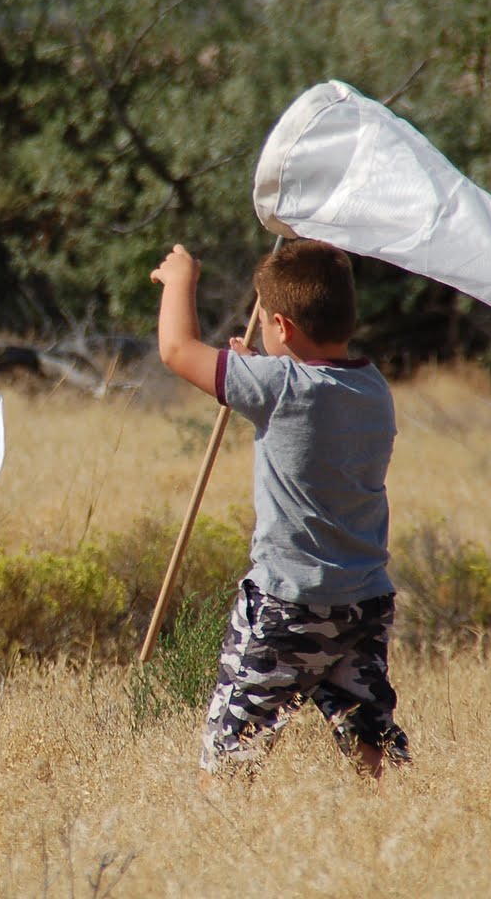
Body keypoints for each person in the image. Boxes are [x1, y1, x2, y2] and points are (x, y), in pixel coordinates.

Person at [150, 239, 410, 779]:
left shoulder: (278, 386)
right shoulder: (373, 387)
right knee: (369, 737)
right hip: (362, 600)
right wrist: (255, 367)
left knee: (233, 750)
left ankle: (221, 832)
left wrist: (181, 279)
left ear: (282, 326)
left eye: (265, 321)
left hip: (288, 604)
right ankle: (381, 821)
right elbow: (308, 396)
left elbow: (177, 350)